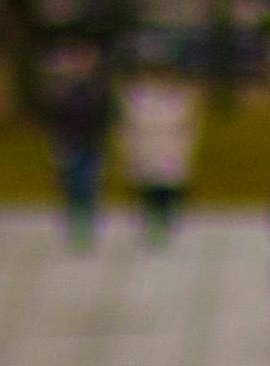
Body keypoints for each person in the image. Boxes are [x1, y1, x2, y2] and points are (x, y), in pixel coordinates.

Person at [43, 34, 119, 245]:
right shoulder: (60, 90)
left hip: (91, 143)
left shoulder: (97, 89)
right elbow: (52, 118)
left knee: (88, 184)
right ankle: (75, 225)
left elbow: (105, 116)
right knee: (71, 184)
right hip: (67, 143)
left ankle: (87, 225)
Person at [124, 40, 196, 244]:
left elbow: (187, 127)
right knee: (148, 191)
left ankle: (166, 224)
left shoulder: (179, 97)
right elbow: (129, 127)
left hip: (170, 150)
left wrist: (183, 149)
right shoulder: (137, 96)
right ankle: (152, 226)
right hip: (146, 149)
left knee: (168, 190)